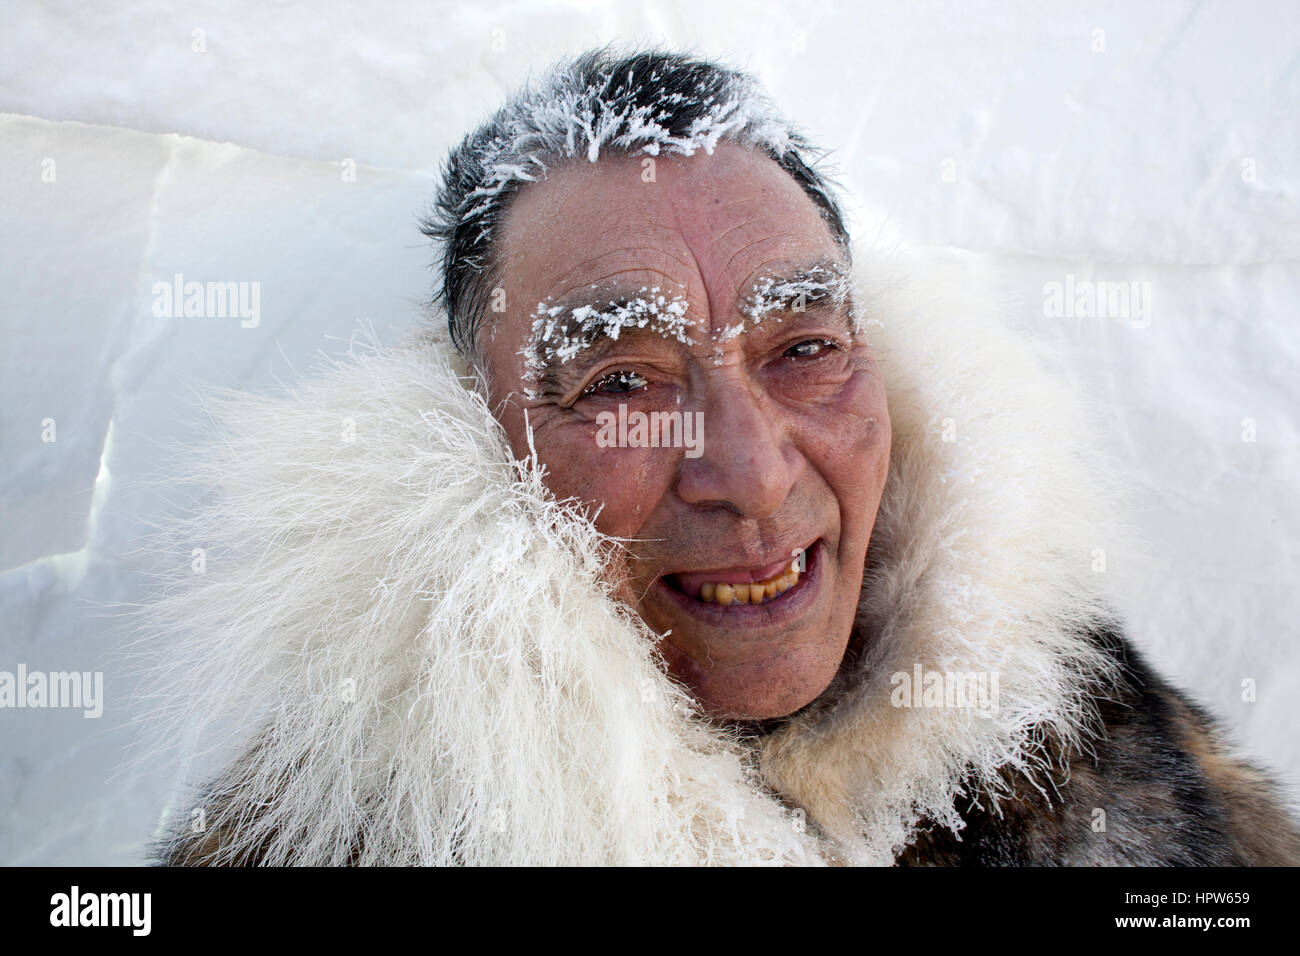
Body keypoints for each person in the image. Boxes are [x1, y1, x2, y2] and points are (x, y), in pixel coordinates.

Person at [153, 47, 1300, 865]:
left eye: (802, 346)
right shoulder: (339, 834)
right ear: (475, 440)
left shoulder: (1071, 720)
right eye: (620, 381)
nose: (750, 475)